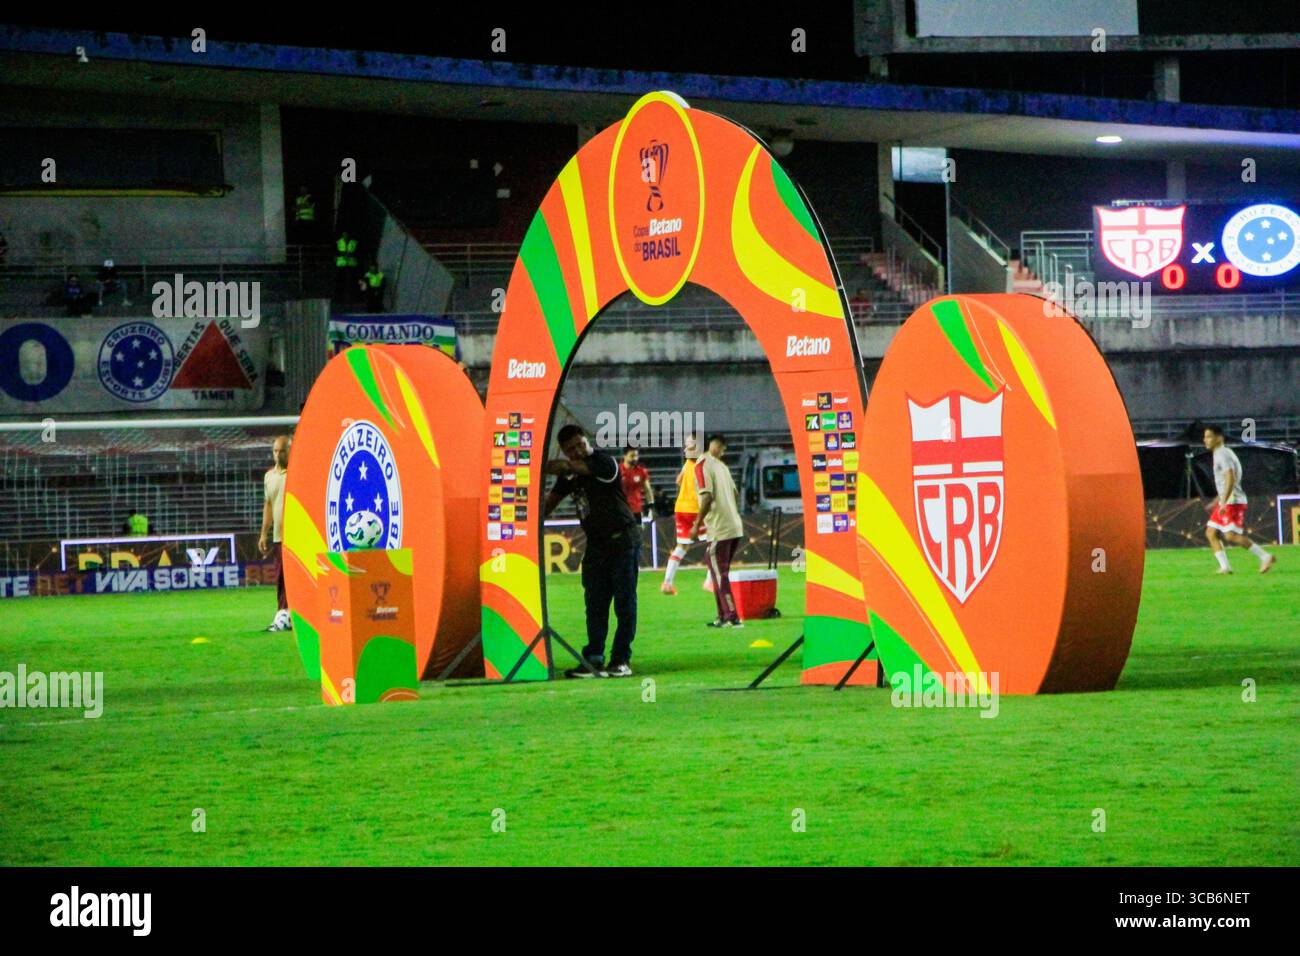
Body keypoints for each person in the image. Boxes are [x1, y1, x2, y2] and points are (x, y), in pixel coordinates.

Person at [544, 423, 640, 678]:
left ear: (587, 440)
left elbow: (572, 468)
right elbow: (548, 504)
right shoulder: (568, 475)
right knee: (595, 603)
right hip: (597, 545)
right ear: (564, 451)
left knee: (624, 602)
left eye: (580, 444)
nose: (577, 450)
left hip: (622, 541)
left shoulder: (604, 462)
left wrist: (542, 465)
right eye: (570, 449)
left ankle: (621, 660)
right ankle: (594, 658)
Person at [1203, 425, 1275, 575]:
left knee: (1231, 536)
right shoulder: (1223, 453)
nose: (1205, 440)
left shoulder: (1222, 454)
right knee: (1211, 532)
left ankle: (1266, 556)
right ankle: (1225, 567)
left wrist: (1223, 501)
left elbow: (1230, 477)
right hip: (1227, 499)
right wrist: (1218, 500)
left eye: (1209, 436)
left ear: (1219, 438)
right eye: (1205, 437)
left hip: (1233, 501)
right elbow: (1227, 481)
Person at [694, 433, 745, 627]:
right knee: (717, 570)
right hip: (734, 526)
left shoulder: (702, 465)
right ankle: (723, 616)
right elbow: (735, 492)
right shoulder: (722, 467)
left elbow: (706, 497)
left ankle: (732, 616)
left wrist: (696, 524)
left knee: (719, 572)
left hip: (719, 528)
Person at [661, 435, 704, 595]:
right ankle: (710, 581)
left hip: (680, 509)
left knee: (682, 547)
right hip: (695, 510)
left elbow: (678, 481)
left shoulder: (688, 463)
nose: (685, 450)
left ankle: (667, 583)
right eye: (686, 447)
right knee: (716, 543)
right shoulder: (703, 466)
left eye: (689, 447)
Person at [259, 435, 293, 631]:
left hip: (296, 536)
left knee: (294, 577)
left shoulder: (296, 473)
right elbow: (268, 504)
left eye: (281, 451)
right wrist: (264, 533)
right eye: (275, 451)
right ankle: (284, 615)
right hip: (279, 536)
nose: (278, 455)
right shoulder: (269, 476)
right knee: (281, 577)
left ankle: (289, 615)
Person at [619, 446, 655, 520]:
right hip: (621, 510)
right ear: (624, 456)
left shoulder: (641, 471)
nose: (635, 458)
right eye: (632, 456)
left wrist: (651, 507)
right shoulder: (618, 471)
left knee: (637, 531)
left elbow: (648, 490)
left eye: (636, 455)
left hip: (637, 511)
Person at [334, 231, 359, 301]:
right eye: (344, 235)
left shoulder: (354, 242)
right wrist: (343, 255)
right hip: (341, 264)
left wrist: (351, 255)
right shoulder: (338, 242)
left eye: (347, 234)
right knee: (340, 282)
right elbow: (335, 253)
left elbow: (358, 252)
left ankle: (352, 297)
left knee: (352, 282)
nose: (345, 236)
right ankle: (339, 298)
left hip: (352, 264)